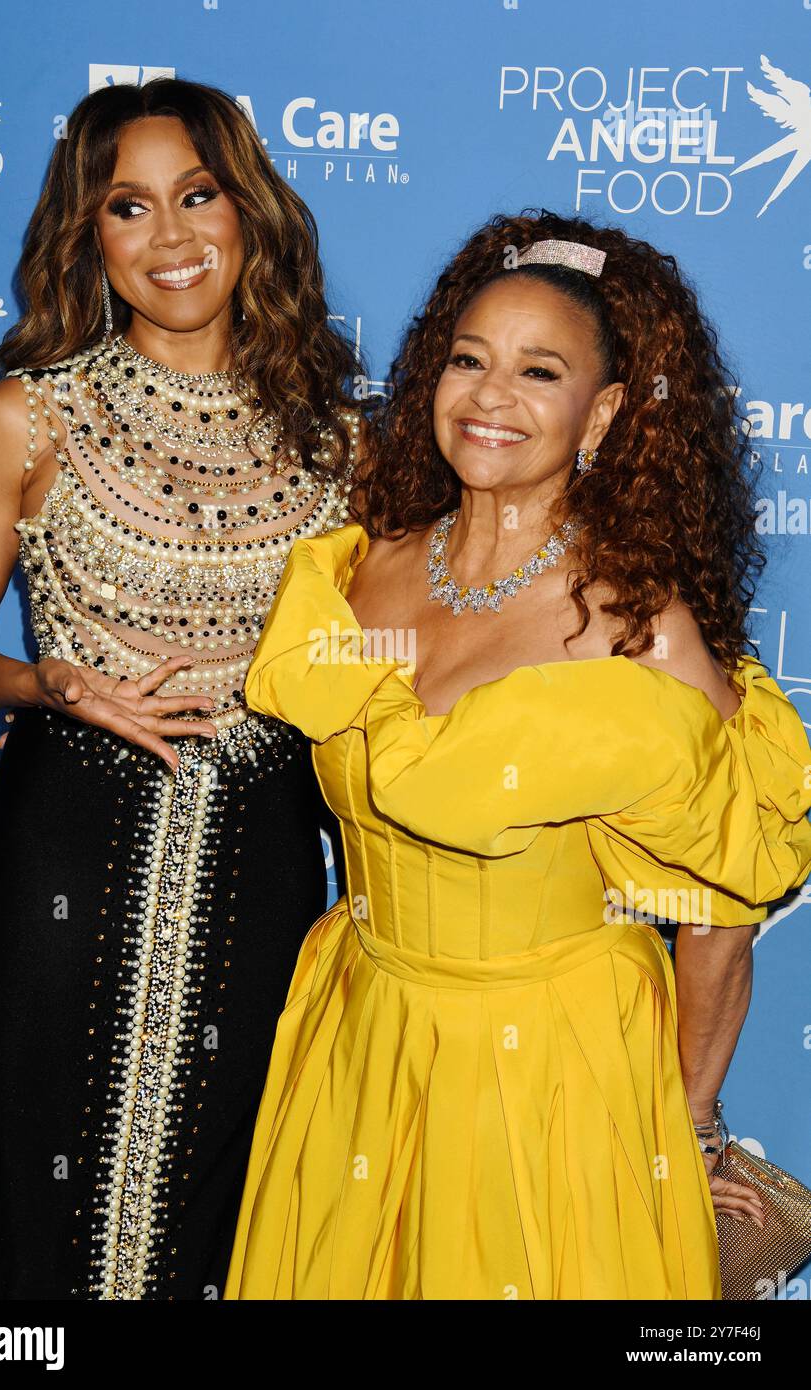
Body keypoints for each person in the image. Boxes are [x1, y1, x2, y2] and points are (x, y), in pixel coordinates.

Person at [223, 211, 811, 1300]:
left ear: (604, 413)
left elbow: (725, 911)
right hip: (362, 1036)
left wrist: (687, 1122)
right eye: (467, 359)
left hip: (557, 1068)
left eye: (539, 371)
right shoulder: (359, 571)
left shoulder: (639, 623)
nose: (489, 397)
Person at [0, 77, 367, 1300]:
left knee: (220, 1206)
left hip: (264, 860)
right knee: (36, 1185)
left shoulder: (343, 439)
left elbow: (394, 657)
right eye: (128, 207)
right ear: (89, 234)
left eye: (197, 195)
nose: (170, 239)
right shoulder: (22, 419)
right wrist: (43, 681)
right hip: (64, 842)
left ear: (249, 208)